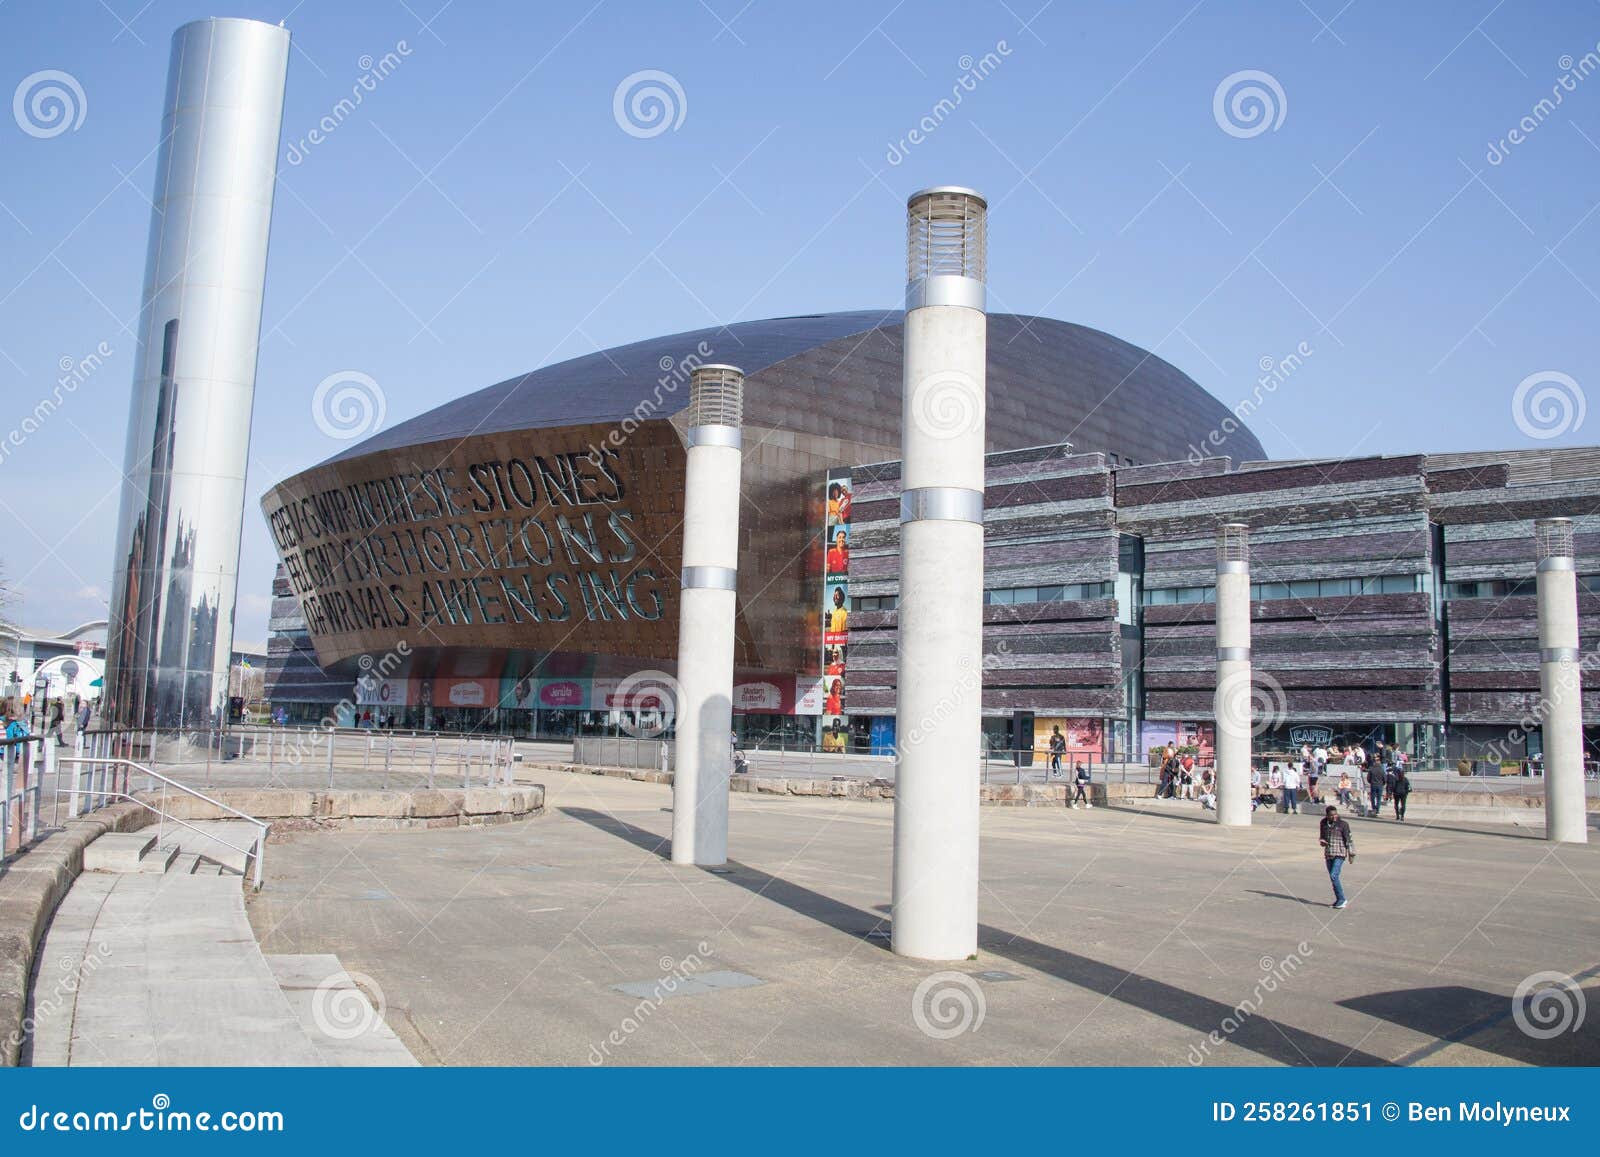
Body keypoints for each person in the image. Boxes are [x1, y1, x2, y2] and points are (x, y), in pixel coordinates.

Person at [1318, 805, 1355, 909]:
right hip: (1329, 853)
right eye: (1331, 815)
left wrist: (1351, 854)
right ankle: (1339, 899)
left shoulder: (1343, 824)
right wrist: (1322, 842)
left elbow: (1349, 839)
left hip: (1340, 853)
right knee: (1333, 877)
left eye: (1335, 814)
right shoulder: (1323, 823)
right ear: (1327, 815)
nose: (1334, 817)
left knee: (1334, 875)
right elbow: (1322, 837)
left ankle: (1342, 899)